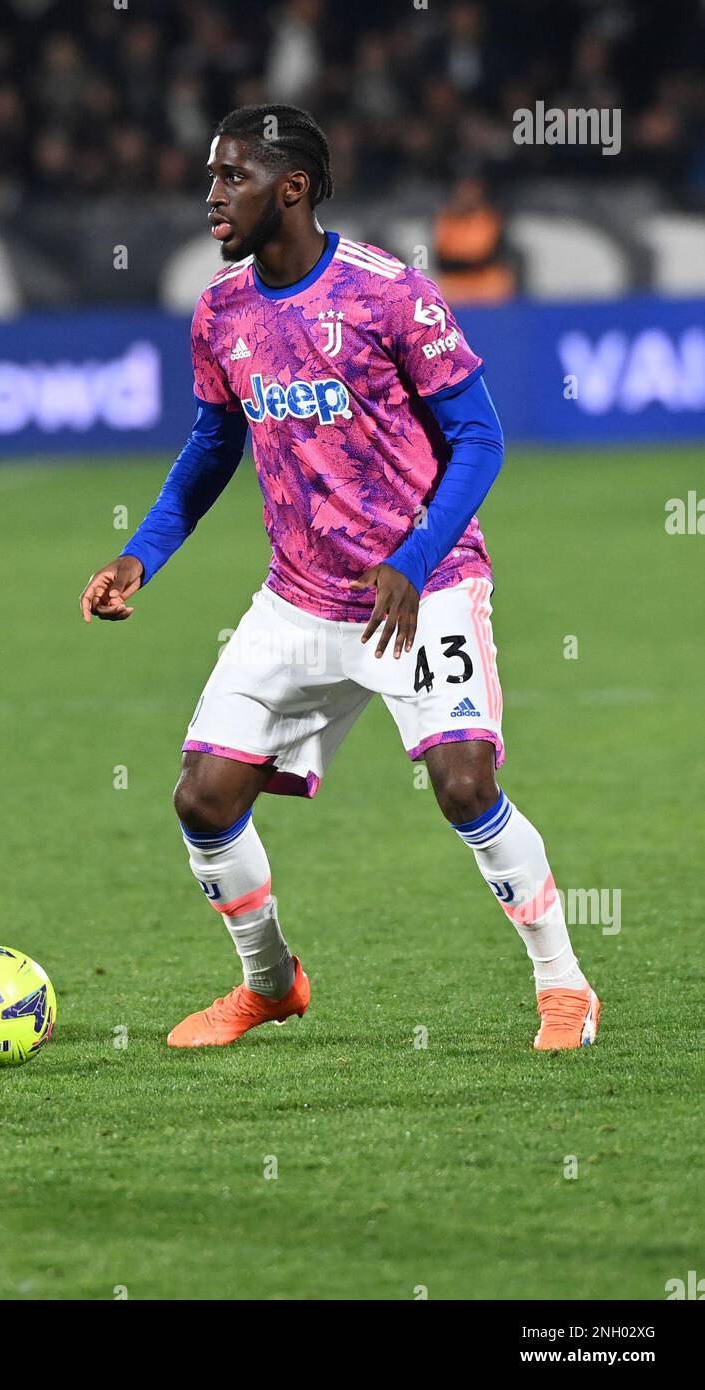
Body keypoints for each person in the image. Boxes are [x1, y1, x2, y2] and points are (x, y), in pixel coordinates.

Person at [80, 104, 600, 1052]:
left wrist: (413, 557)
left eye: (231, 176)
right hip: (300, 598)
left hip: (423, 584)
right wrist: (142, 553)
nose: (211, 195)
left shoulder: (392, 296)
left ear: (294, 187)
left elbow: (480, 437)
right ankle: (271, 985)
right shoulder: (222, 312)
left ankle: (564, 986)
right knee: (201, 800)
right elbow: (211, 447)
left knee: (463, 782)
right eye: (210, 176)